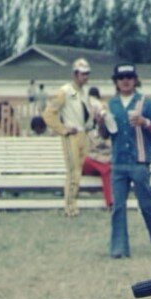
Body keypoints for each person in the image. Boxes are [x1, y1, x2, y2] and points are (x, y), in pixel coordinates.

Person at [102, 63, 151, 259]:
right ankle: (119, 249)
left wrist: (145, 123)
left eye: (129, 77)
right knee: (118, 206)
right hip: (119, 161)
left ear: (135, 80)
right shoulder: (111, 105)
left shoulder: (145, 103)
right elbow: (105, 134)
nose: (126, 81)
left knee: (146, 205)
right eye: (121, 78)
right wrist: (100, 122)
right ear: (116, 82)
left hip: (139, 161)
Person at [42, 58, 94, 217]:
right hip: (71, 135)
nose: (85, 77)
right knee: (73, 171)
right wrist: (62, 129)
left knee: (81, 169)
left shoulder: (84, 92)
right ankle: (70, 207)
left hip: (83, 134)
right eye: (82, 74)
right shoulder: (64, 91)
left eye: (87, 74)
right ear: (75, 74)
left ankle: (74, 201)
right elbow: (49, 114)